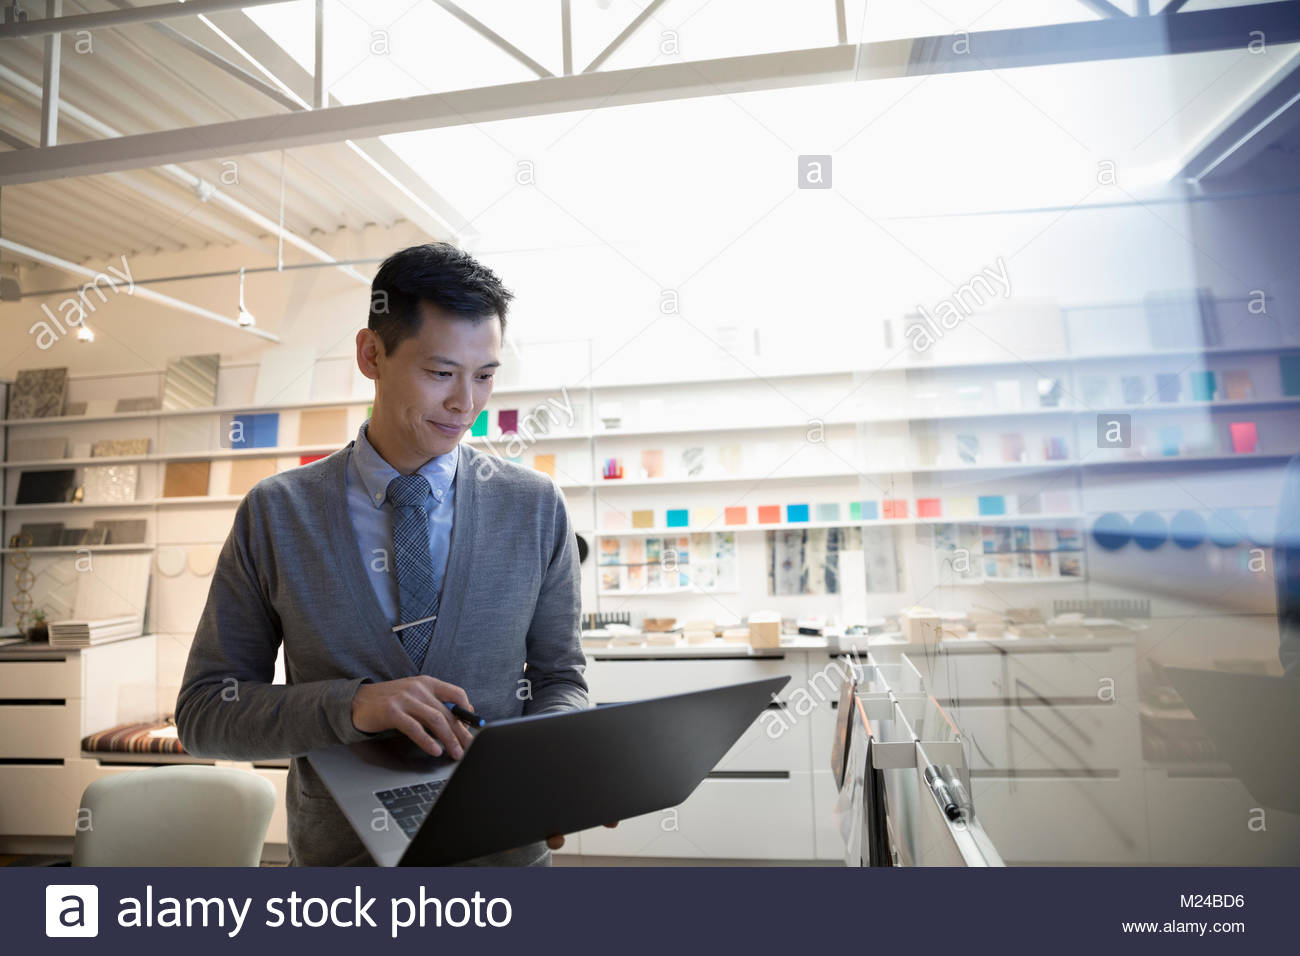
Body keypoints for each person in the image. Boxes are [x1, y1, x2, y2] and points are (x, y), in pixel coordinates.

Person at [176, 242, 589, 866]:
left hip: (504, 870)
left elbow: (561, 681)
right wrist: (353, 705)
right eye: (441, 372)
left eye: (485, 375)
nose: (466, 404)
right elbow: (207, 712)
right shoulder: (277, 513)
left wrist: (561, 757)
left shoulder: (533, 507)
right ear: (372, 355)